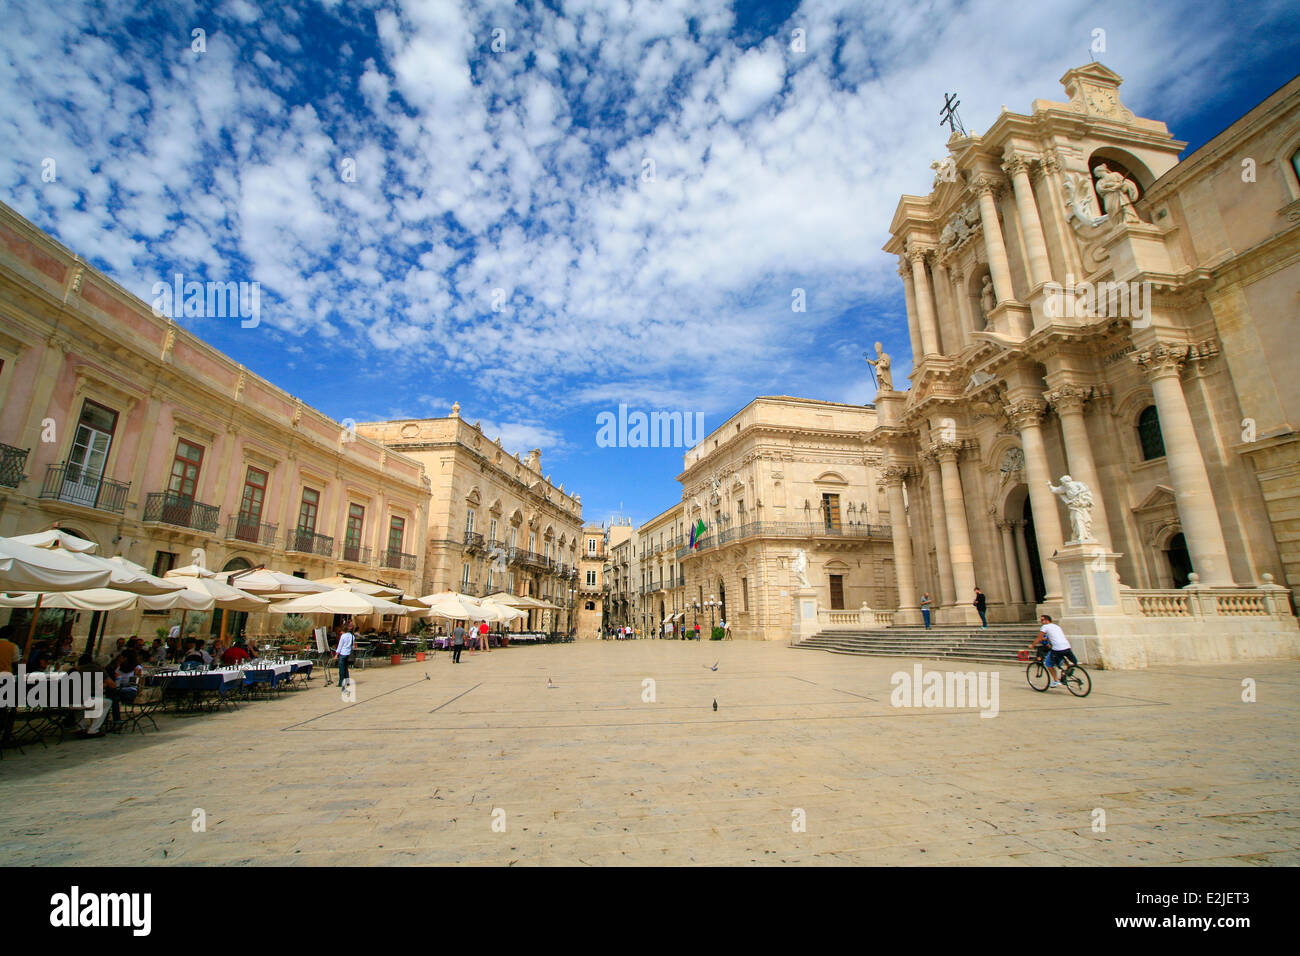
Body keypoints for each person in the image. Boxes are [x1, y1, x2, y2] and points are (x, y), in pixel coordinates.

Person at [1029, 614, 1078, 688]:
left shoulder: (1045, 627)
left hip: (1057, 649)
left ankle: (1056, 681)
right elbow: (1054, 637)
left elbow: (1039, 638)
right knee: (1070, 661)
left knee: (1048, 664)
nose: (1041, 621)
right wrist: (1047, 640)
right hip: (1067, 646)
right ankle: (1067, 671)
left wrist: (1032, 645)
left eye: (1042, 620)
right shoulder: (1056, 626)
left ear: (1047, 620)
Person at [334, 621, 354, 688]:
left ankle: (341, 682)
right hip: (348, 653)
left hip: (343, 653)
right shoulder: (352, 636)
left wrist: (336, 654)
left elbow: (340, 646)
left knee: (341, 669)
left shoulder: (343, 636)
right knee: (346, 668)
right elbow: (352, 646)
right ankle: (347, 681)